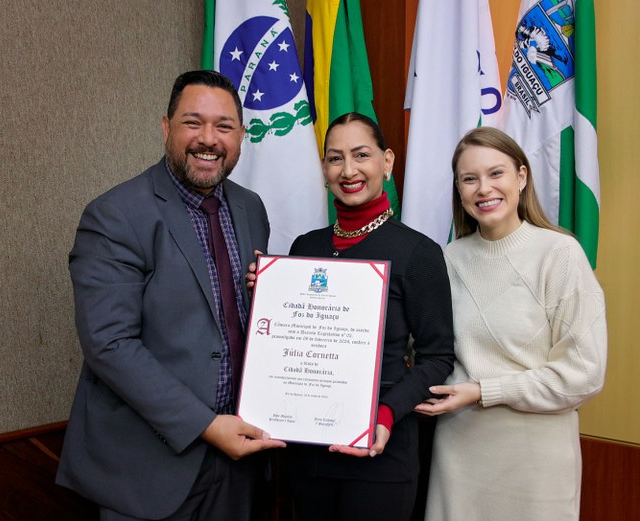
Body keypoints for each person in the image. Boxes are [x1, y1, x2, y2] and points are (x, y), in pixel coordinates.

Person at [56, 70, 285, 521]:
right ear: (166, 128)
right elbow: (110, 344)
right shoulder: (115, 215)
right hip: (151, 466)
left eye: (224, 126)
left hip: (242, 456)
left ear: (241, 135)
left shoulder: (250, 207)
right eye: (192, 122)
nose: (209, 139)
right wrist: (204, 425)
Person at [415, 127, 608, 520]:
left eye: (496, 173)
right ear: (459, 189)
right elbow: (422, 351)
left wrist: (485, 391)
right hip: (458, 455)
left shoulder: (560, 254)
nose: (484, 188)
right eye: (470, 179)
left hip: (537, 465)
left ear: (521, 177)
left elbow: (584, 373)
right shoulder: (445, 260)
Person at [284, 112, 456, 521]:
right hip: (307, 456)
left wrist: (385, 413)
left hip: (382, 452)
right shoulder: (304, 248)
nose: (348, 171)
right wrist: (269, 289)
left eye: (361, 155)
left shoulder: (419, 254)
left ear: (388, 162)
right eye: (334, 158)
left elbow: (438, 357)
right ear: (324, 169)